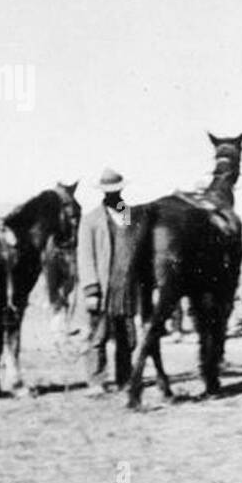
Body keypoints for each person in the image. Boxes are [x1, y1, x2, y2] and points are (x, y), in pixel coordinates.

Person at [77, 167, 139, 394]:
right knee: (97, 336)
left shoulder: (129, 214)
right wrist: (91, 290)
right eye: (109, 192)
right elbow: (85, 257)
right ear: (103, 192)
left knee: (127, 337)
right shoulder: (91, 219)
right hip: (102, 288)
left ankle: (125, 379)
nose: (113, 195)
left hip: (125, 287)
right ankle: (96, 381)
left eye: (117, 191)